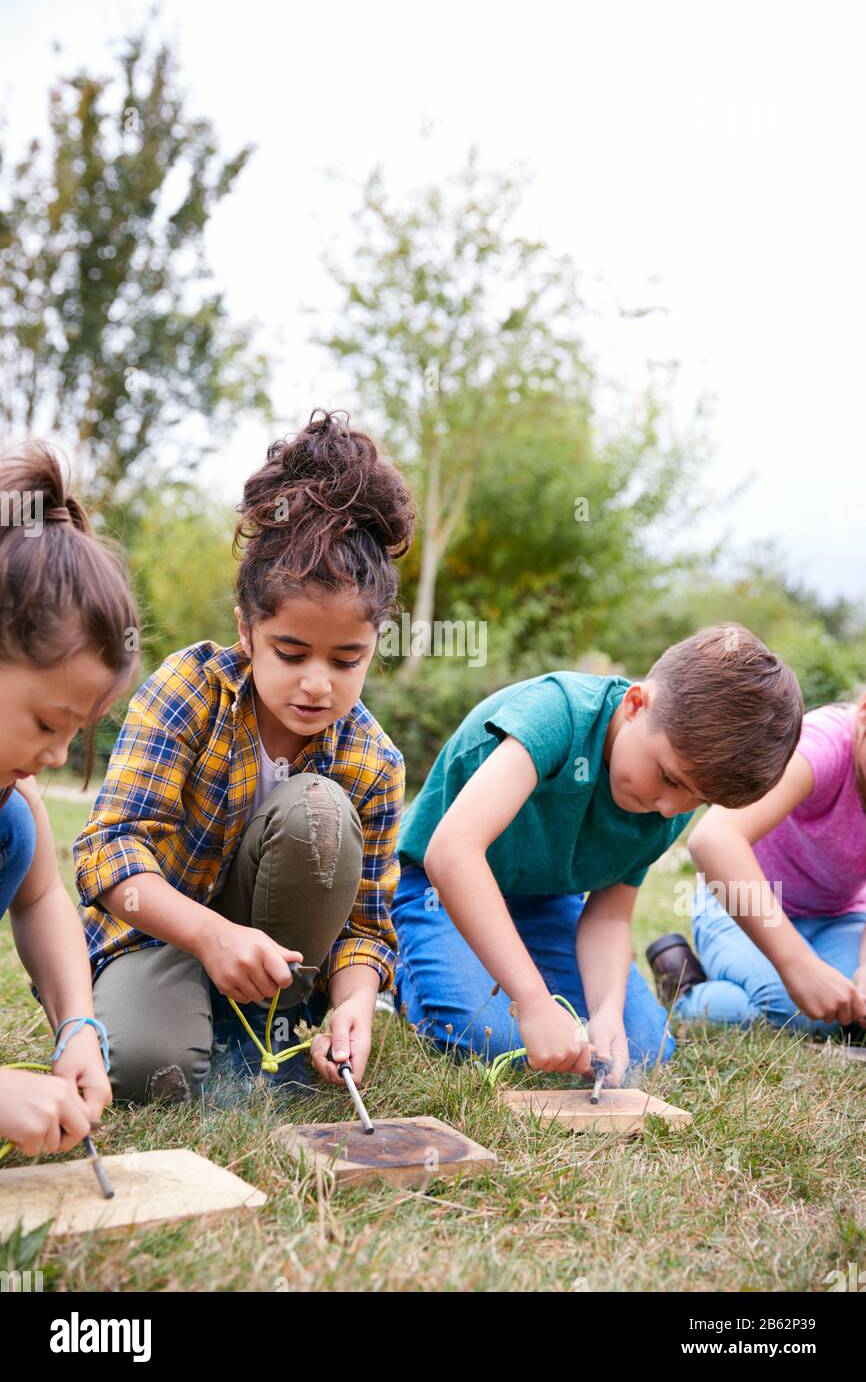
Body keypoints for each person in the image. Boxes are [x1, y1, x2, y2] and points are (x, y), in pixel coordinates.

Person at [74, 411, 415, 1103]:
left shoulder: (374, 761)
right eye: (291, 653)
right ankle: (190, 1018)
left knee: (318, 809)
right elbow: (109, 852)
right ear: (246, 627)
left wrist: (355, 1002)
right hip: (162, 936)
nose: (317, 683)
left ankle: (270, 1022)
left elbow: (368, 930)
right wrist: (210, 937)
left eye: (348, 660)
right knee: (150, 1070)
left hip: (280, 969)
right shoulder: (186, 692)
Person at [394, 625, 803, 1088]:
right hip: (438, 890)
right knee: (494, 1038)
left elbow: (608, 916)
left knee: (642, 1046)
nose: (671, 810)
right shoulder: (559, 713)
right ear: (634, 705)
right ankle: (398, 965)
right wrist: (531, 1001)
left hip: (543, 900)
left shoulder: (671, 796)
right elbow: (453, 853)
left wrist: (606, 1012)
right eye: (669, 779)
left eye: (698, 800)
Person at [0, 441, 139, 1156]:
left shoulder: (10, 811)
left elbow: (41, 897)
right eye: (47, 724)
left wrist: (76, 1023)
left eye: (76, 732)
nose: (54, 757)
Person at [649, 692, 866, 1038]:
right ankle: (684, 987)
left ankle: (733, 983)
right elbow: (713, 839)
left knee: (845, 1012)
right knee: (803, 1012)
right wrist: (799, 965)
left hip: (836, 917)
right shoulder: (821, 745)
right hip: (740, 904)